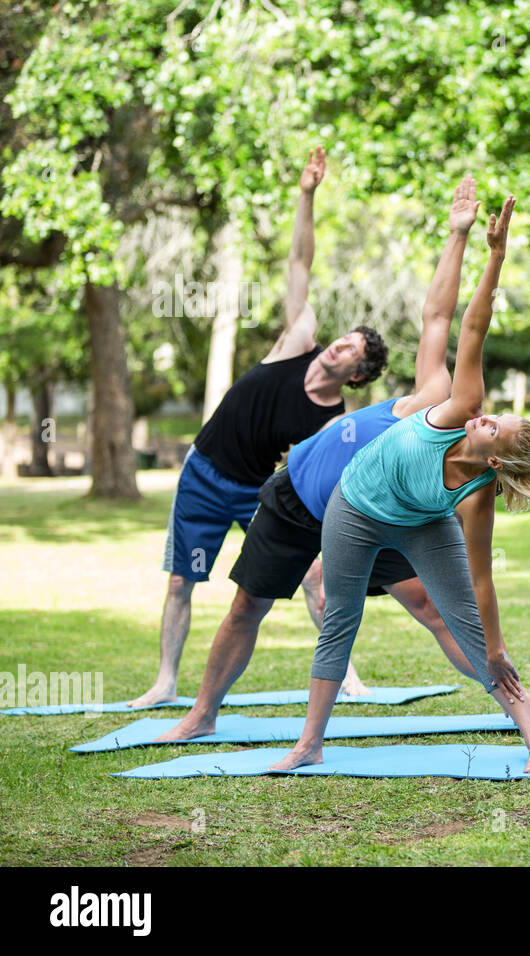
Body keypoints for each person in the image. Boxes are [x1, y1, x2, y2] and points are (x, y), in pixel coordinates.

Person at [153, 176, 530, 744]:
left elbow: (458, 325)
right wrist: (457, 235)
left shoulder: (457, 437)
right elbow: (442, 318)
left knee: (437, 610)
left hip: (390, 517)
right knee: (248, 606)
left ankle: (524, 704)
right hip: (297, 502)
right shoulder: (431, 398)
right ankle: (201, 714)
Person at [270, 194, 530, 774]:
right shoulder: (461, 407)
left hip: (421, 521)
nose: (485, 416)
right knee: (340, 618)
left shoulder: (477, 499)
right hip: (354, 506)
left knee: (471, 632)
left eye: (495, 428)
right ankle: (309, 745)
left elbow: (482, 586)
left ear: (498, 463)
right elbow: (472, 325)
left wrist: (497, 646)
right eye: (493, 414)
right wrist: (496, 258)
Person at [131, 147, 388, 708]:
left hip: (258, 494)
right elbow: (298, 265)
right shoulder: (296, 343)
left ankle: (346, 675)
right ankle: (165, 683)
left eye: (352, 350)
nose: (339, 345)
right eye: (342, 338)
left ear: (357, 373)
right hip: (203, 474)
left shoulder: (332, 420)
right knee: (183, 579)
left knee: (311, 578)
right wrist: (307, 194)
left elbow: (323, 477)